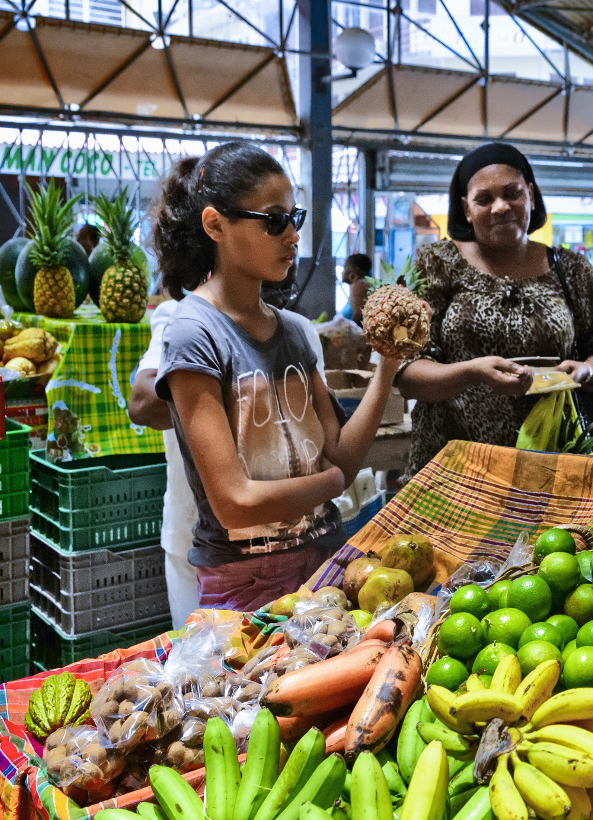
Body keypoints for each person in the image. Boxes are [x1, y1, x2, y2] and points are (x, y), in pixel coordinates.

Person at [149, 141, 398, 612]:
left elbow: (340, 455)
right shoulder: (193, 333)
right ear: (215, 224)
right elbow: (234, 503)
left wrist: (387, 368)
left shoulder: (294, 333)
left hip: (325, 569)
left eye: (294, 218)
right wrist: (330, 482)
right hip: (243, 585)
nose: (292, 236)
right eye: (273, 220)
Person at [395, 142, 593, 478]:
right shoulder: (434, 265)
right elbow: (408, 374)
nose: (500, 207)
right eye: (484, 199)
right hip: (455, 467)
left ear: (530, 194)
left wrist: (587, 372)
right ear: (466, 208)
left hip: (553, 467)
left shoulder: (572, 268)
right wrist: (473, 372)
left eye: (512, 193)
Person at [130, 291, 333, 626]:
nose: (289, 242)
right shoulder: (183, 319)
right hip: (199, 541)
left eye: (293, 234)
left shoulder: (298, 331)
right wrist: (217, 382)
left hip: (292, 544)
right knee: (206, 669)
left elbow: (316, 434)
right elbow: (143, 404)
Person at [342, 253, 372, 324]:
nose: (343, 272)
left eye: (345, 268)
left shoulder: (358, 286)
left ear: (354, 269)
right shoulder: (364, 284)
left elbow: (359, 317)